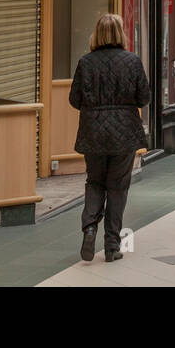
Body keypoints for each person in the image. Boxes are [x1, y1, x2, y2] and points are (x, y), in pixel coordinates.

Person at [69, 13, 151, 263]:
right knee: (117, 187)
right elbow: (144, 97)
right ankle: (112, 246)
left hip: (93, 133)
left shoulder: (86, 62)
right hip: (124, 133)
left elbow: (74, 99)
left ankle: (89, 228)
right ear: (121, 33)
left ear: (97, 34)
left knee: (95, 182)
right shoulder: (132, 61)